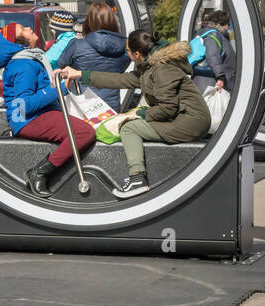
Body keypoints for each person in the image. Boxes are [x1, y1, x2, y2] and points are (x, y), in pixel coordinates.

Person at [58, 30, 210, 199]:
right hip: (183, 117)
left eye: (127, 51)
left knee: (130, 128)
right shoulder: (151, 66)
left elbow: (168, 108)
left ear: (137, 54)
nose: (127, 54)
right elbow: (120, 80)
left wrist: (141, 113)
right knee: (131, 121)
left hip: (191, 121)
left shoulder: (162, 69)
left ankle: (137, 179)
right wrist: (81, 74)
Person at [0, 22, 95, 197]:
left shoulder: (29, 60)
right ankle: (39, 172)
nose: (29, 28)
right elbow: (23, 106)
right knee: (84, 132)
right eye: (23, 29)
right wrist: (59, 88)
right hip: (28, 120)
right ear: (17, 42)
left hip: (35, 116)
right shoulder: (23, 65)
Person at [57, 4, 132, 111]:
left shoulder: (77, 45)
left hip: (83, 104)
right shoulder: (125, 47)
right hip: (112, 106)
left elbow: (62, 64)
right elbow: (120, 70)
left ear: (89, 22)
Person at [194, 10, 237, 92]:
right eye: (228, 24)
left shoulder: (208, 33)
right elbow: (212, 55)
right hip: (212, 83)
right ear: (223, 24)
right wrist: (220, 77)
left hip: (209, 82)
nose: (228, 27)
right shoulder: (213, 34)